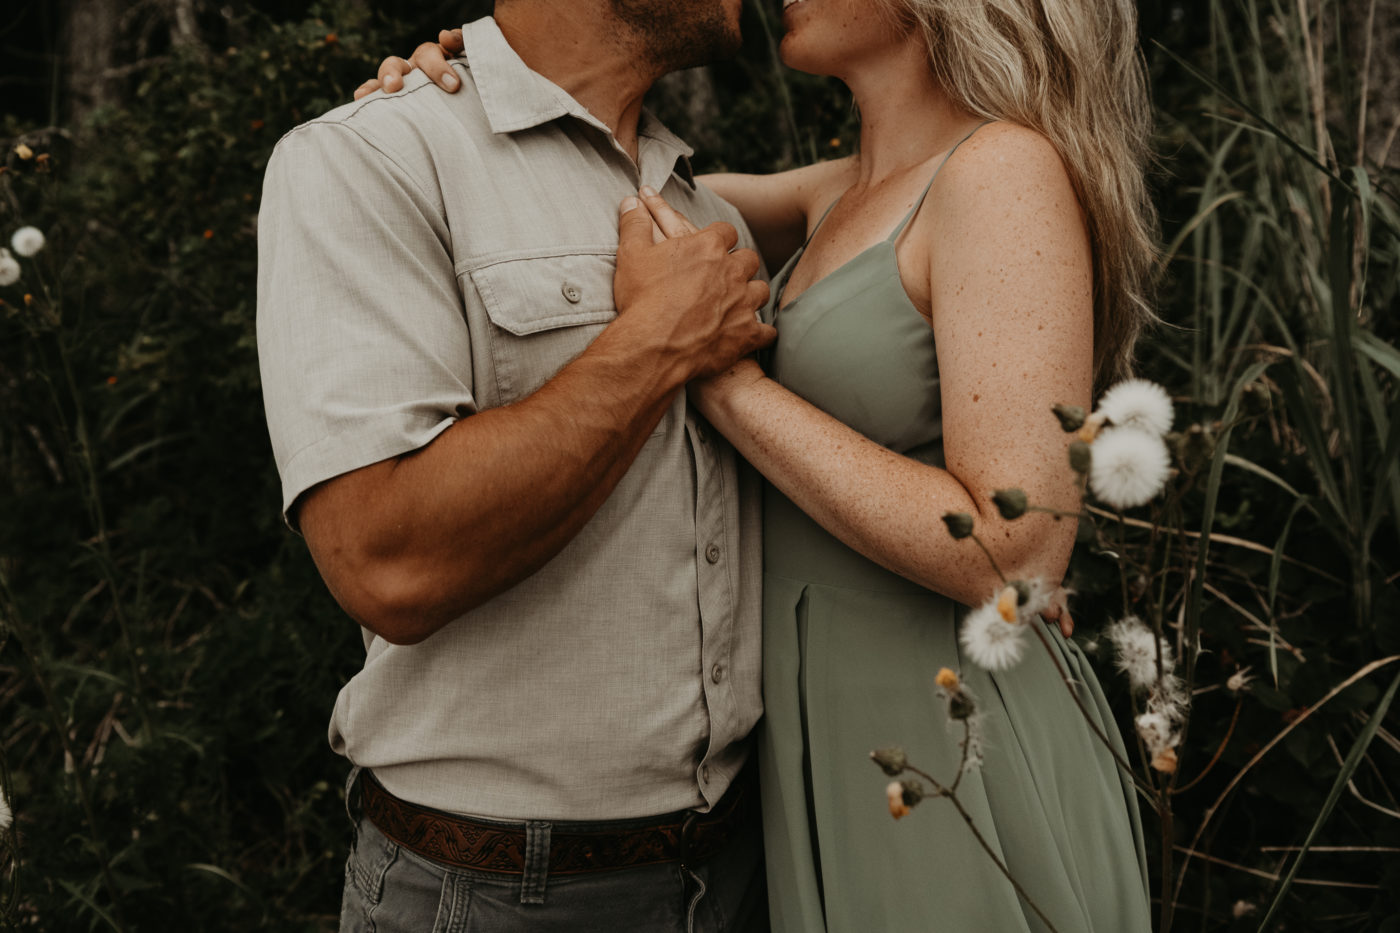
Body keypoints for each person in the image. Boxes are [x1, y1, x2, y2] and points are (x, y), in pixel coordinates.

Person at [367, 0, 1159, 929]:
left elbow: (1014, 550)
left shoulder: (1002, 171)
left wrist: (720, 381)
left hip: (946, 745)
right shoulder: (841, 191)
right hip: (818, 745)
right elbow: (590, 176)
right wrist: (475, 83)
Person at [256, 2, 784, 930]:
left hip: (743, 871)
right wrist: (656, 342)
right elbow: (388, 559)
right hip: (493, 894)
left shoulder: (712, 214)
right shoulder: (371, 159)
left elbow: (918, 170)